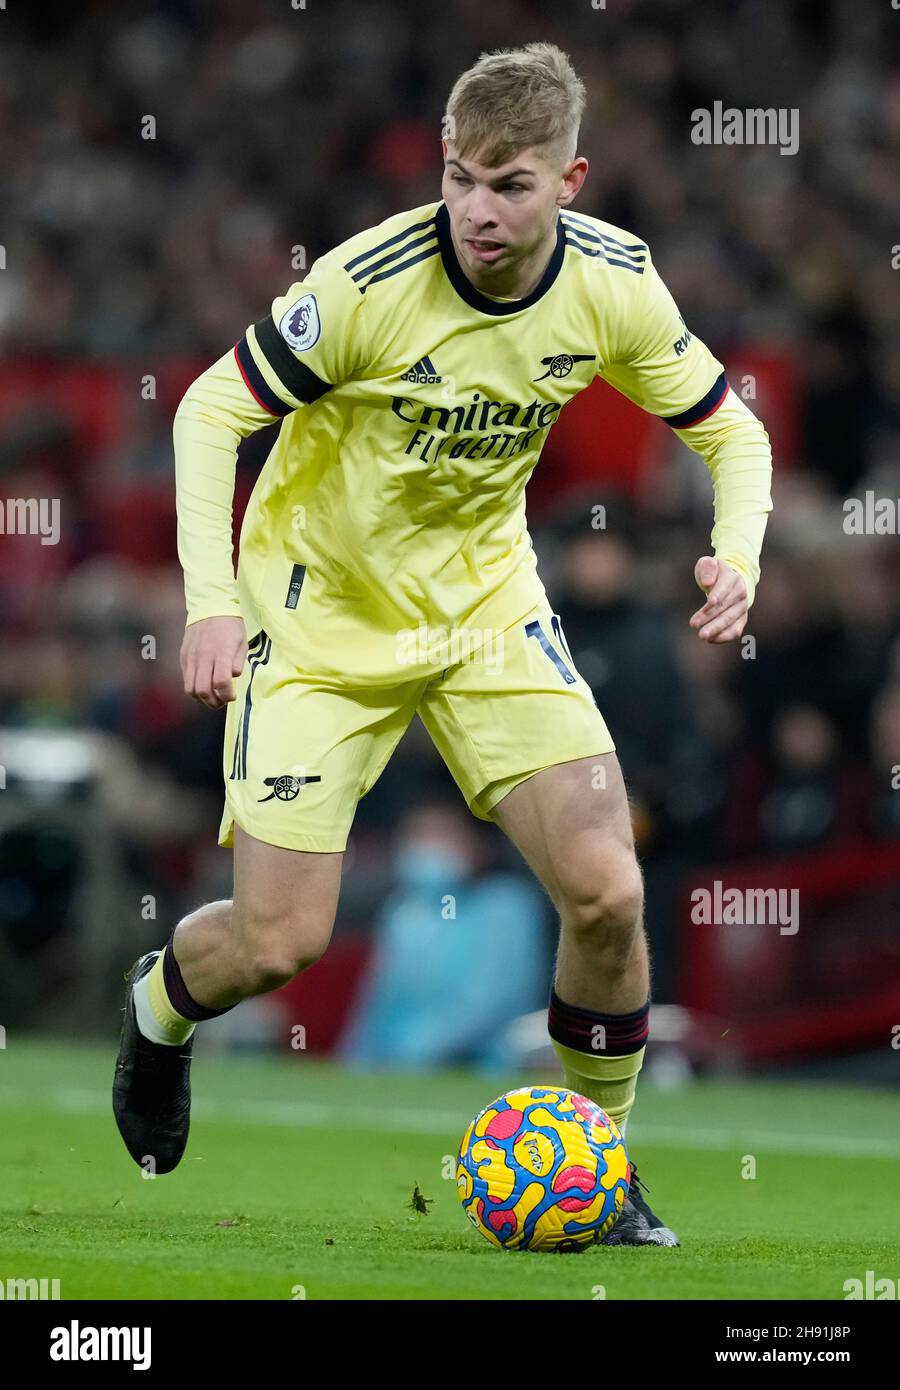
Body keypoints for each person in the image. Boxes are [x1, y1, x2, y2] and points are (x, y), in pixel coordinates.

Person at [113, 42, 773, 1245]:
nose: (475, 207)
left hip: (485, 613)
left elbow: (736, 435)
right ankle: (158, 1010)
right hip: (319, 619)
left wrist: (740, 550)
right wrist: (211, 601)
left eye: (509, 184)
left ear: (569, 180)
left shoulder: (617, 285)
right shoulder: (370, 283)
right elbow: (213, 407)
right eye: (460, 176)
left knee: (608, 893)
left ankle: (602, 1167)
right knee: (279, 944)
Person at [338, 800, 550, 1069]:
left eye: (442, 834)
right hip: (397, 1067)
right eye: (419, 835)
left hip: (486, 1065)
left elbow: (492, 1001)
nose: (428, 847)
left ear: (477, 844)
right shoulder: (403, 910)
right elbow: (378, 997)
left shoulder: (507, 904)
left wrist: (419, 1051)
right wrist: (355, 1057)